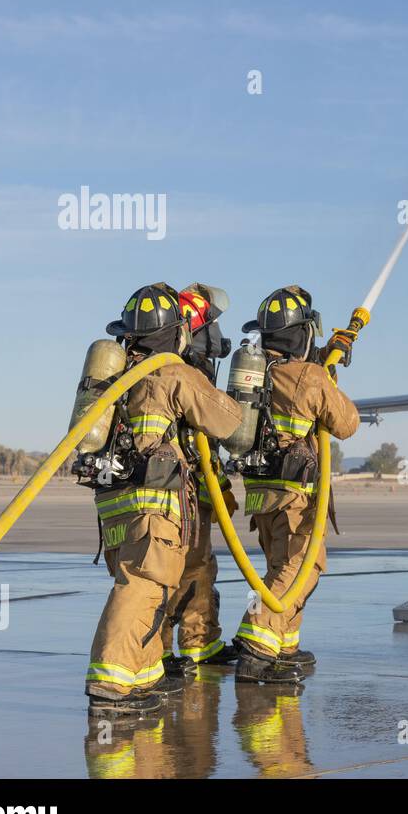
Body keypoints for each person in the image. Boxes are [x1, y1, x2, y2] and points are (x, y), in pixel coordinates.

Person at [85, 284, 241, 717]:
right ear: (177, 334)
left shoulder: (117, 373)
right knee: (141, 588)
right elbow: (229, 421)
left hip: (114, 503)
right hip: (154, 506)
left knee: (151, 589)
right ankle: (111, 681)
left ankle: (143, 675)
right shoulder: (173, 373)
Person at [232, 285, 361, 684]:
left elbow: (296, 389)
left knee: (281, 565)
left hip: (262, 493)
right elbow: (347, 423)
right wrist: (328, 373)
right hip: (295, 495)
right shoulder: (310, 377)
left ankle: (283, 646)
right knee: (302, 566)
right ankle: (257, 642)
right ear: (303, 333)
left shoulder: (261, 374)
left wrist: (325, 360)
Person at [159, 284, 241, 671]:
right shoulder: (181, 376)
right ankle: (156, 655)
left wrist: (220, 486)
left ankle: (200, 645)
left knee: (197, 568)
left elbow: (204, 442)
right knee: (167, 572)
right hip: (178, 491)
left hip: (192, 487)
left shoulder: (171, 371)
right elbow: (217, 428)